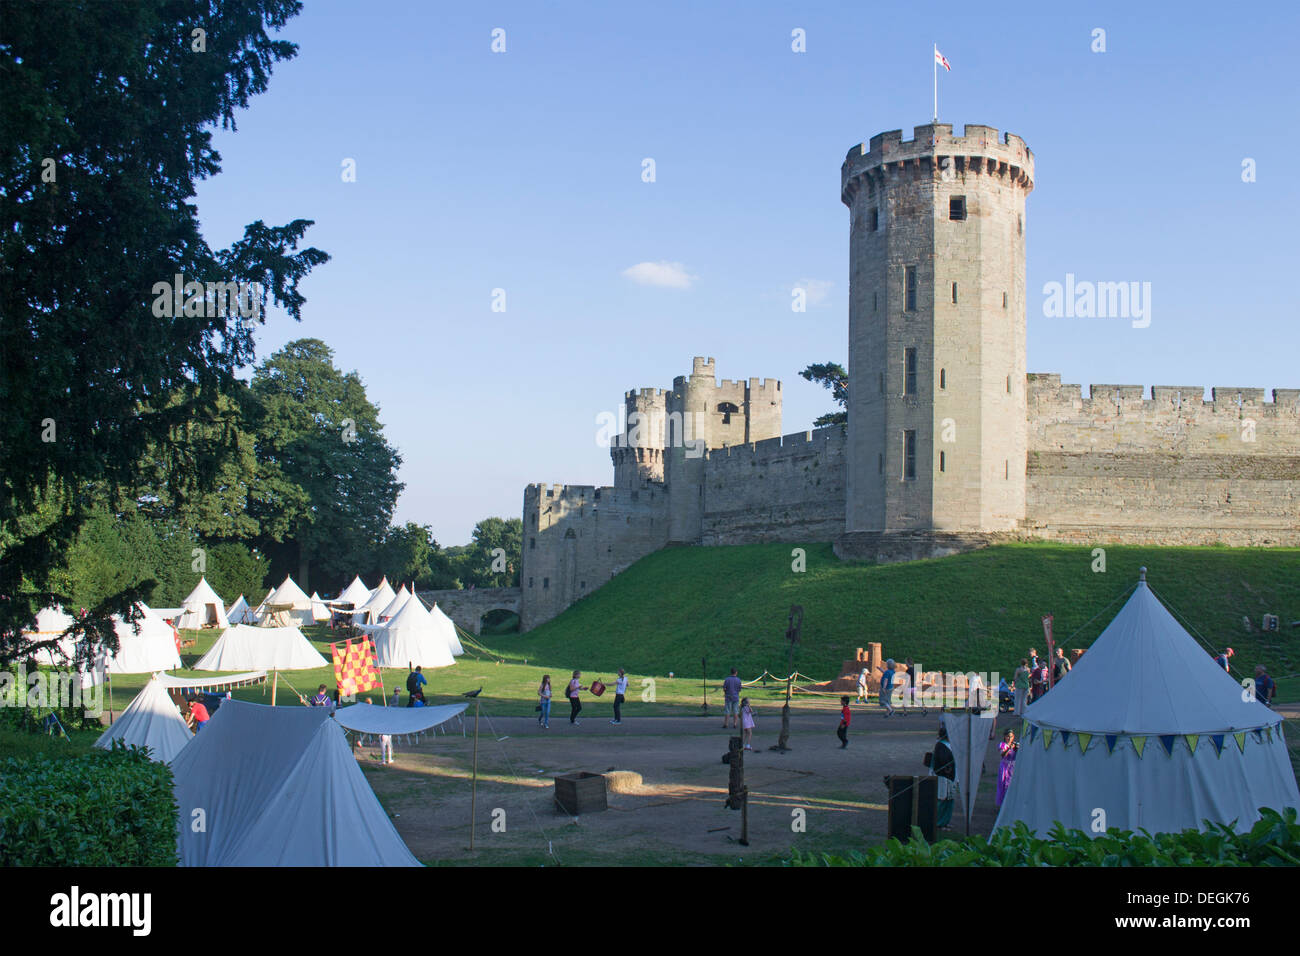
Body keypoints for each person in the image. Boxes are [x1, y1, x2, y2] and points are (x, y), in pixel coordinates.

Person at [931, 724, 956, 828]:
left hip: (951, 776)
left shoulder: (951, 744)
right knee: (942, 799)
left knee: (950, 800)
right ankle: (938, 823)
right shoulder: (940, 745)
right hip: (943, 777)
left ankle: (945, 821)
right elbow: (941, 761)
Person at [996, 728, 1018, 807]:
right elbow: (1003, 755)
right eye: (1007, 736)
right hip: (1004, 768)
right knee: (1003, 786)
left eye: (1011, 736)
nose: (1009, 738)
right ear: (1005, 737)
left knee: (1011, 786)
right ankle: (1003, 804)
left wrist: (1017, 749)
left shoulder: (1016, 745)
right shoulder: (1002, 745)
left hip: (1012, 768)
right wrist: (1009, 748)